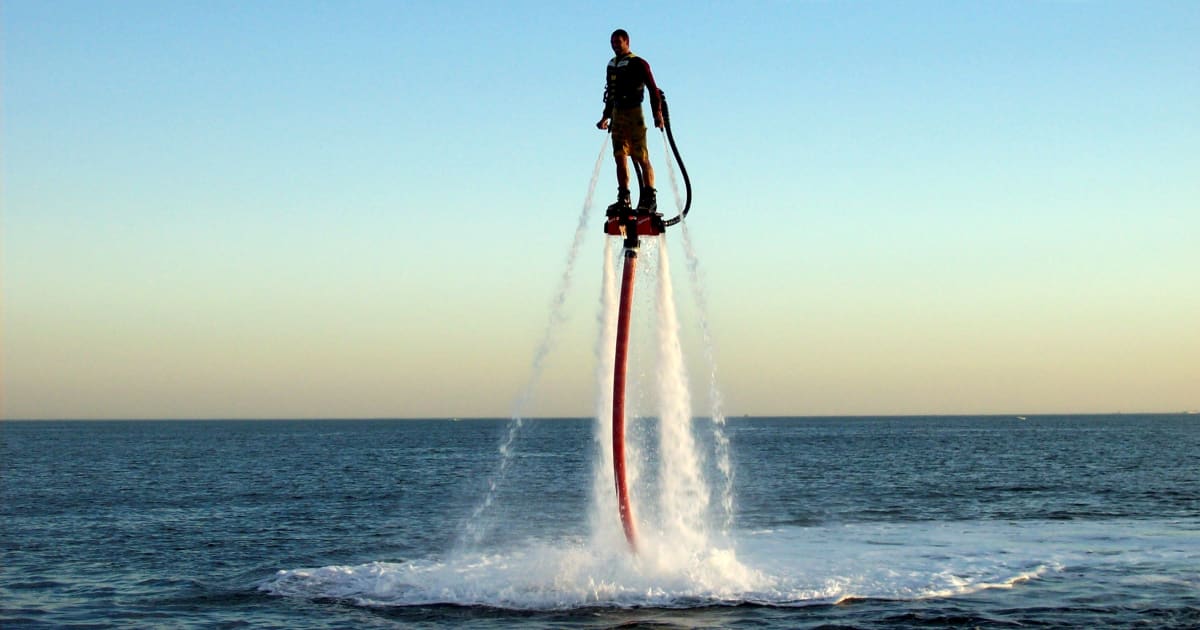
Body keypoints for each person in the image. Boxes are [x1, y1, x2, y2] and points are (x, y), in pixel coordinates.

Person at [596, 29, 664, 216]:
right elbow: (610, 93)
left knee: (640, 155)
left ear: (627, 41)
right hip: (618, 114)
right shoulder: (611, 65)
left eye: (618, 42)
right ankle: (624, 197)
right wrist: (605, 116)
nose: (615, 45)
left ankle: (649, 197)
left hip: (634, 112)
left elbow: (653, 90)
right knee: (619, 156)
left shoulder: (639, 63)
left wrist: (657, 114)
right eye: (612, 42)